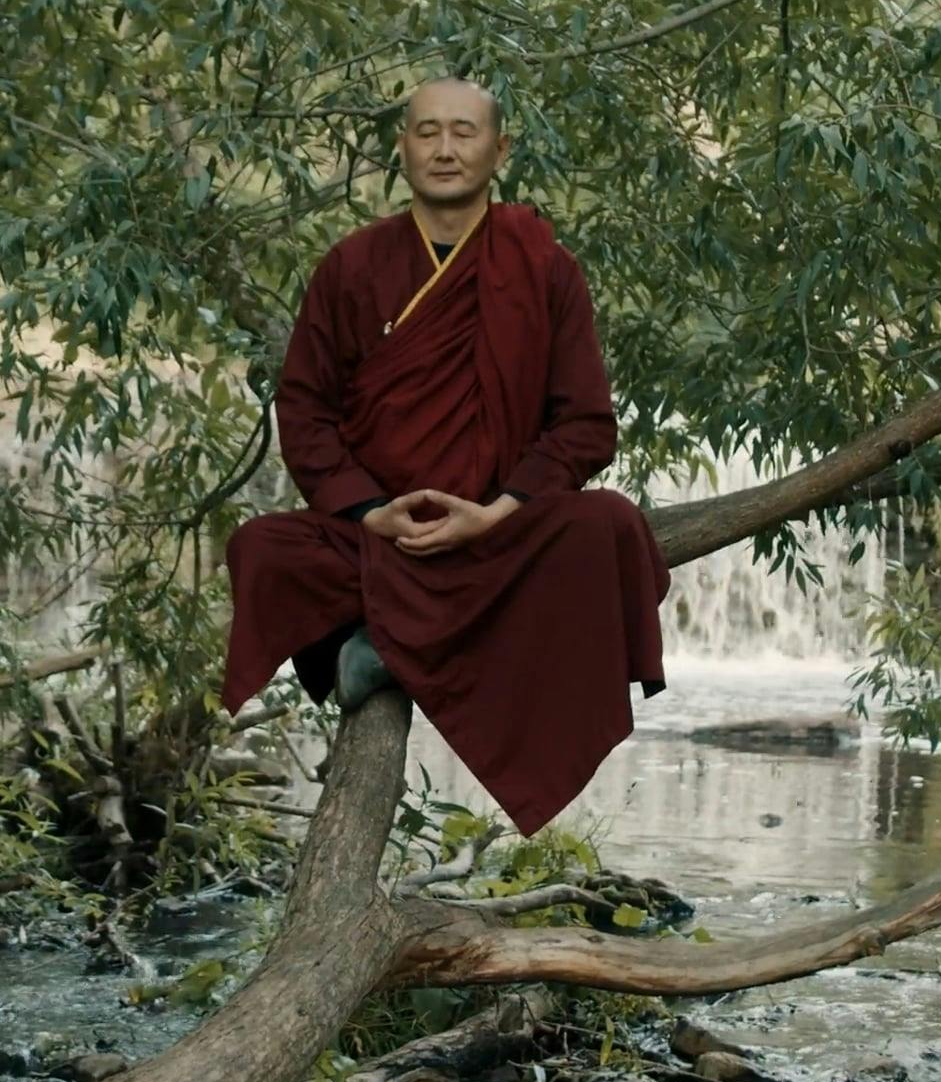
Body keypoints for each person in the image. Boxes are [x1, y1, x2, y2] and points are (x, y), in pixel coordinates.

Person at [220, 77, 668, 833]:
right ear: (402, 149)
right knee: (260, 547)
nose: (445, 148)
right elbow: (304, 409)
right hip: (377, 535)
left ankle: (384, 648)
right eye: (427, 132)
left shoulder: (545, 269)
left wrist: (497, 514)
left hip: (496, 538)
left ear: (501, 149)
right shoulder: (352, 267)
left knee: (609, 526)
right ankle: (407, 641)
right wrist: (371, 511)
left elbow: (584, 423)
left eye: (464, 132)